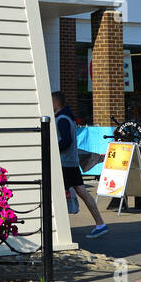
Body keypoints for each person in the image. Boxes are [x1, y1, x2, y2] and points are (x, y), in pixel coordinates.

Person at [52, 91, 107, 238]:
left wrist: (53, 150)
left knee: (54, 194)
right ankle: (100, 224)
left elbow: (66, 140)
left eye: (51, 101)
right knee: (82, 191)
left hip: (65, 163)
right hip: (72, 162)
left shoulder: (62, 119)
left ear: (57, 103)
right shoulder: (67, 117)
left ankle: (58, 231)